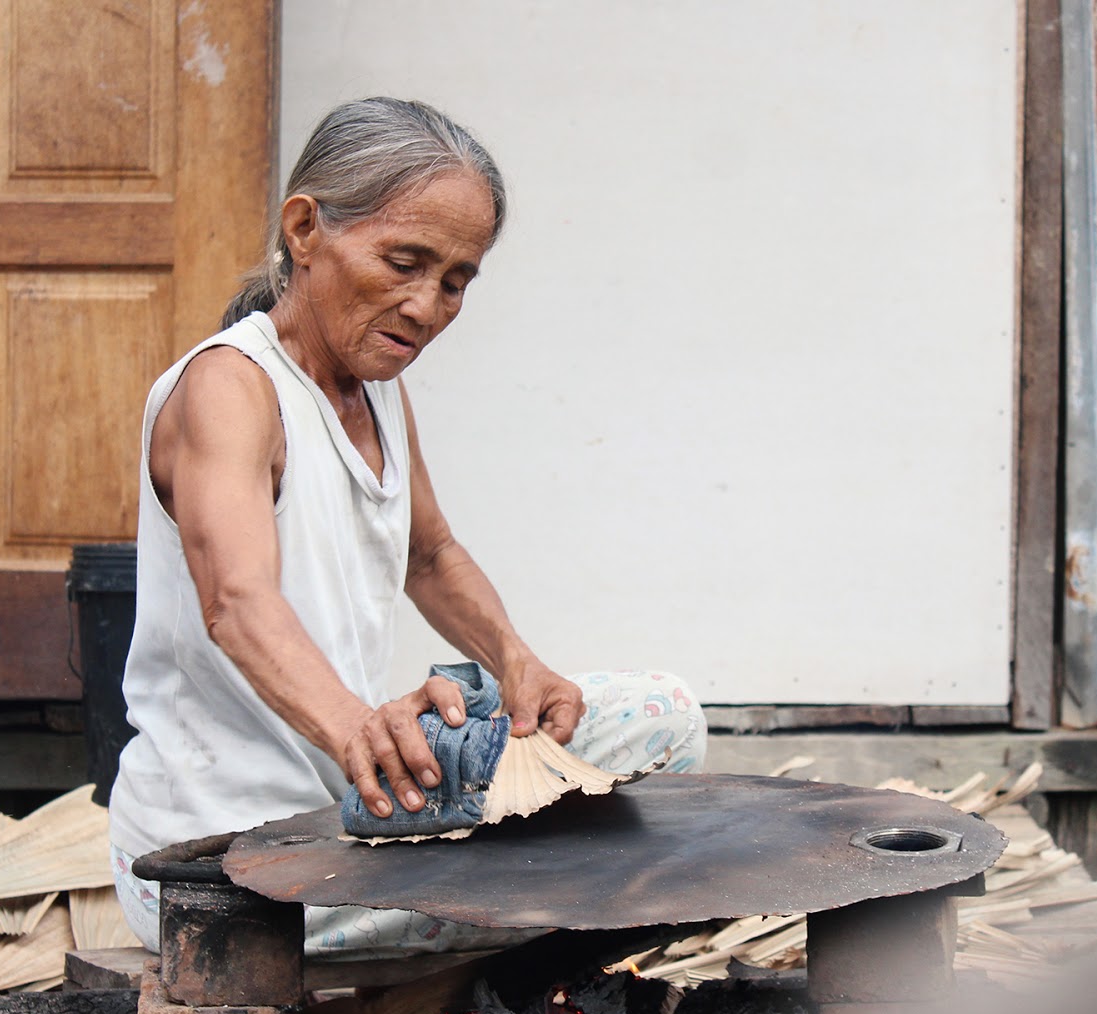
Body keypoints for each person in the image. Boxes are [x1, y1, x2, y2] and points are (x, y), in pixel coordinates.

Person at [107, 98, 705, 957]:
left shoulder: (377, 383)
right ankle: (517, 906)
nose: (426, 306)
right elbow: (235, 601)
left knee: (667, 720)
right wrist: (360, 731)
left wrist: (517, 664)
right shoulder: (230, 388)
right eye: (404, 262)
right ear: (306, 228)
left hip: (372, 805)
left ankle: (512, 895)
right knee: (590, 862)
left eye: (456, 280)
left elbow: (431, 554)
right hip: (229, 855)